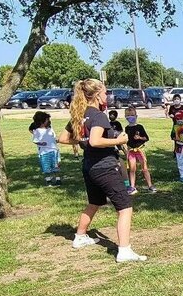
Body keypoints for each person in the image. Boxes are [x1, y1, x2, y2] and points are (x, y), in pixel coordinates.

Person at [58, 78, 145, 263]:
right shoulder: (98, 115)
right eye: (105, 93)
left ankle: (80, 237)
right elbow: (96, 141)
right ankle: (124, 251)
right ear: (97, 95)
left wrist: (83, 139)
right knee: (125, 207)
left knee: (94, 202)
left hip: (89, 167)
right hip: (104, 167)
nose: (107, 96)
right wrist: (118, 141)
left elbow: (63, 138)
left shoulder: (81, 114)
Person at [123, 107, 155, 194]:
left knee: (144, 168)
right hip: (131, 151)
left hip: (140, 150)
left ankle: (150, 185)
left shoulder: (139, 127)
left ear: (136, 116)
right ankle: (132, 186)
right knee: (132, 169)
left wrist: (140, 137)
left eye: (132, 115)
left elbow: (146, 138)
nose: (130, 117)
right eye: (128, 116)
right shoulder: (126, 128)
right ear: (126, 117)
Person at [29, 111, 61, 187]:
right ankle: (48, 181)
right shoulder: (37, 131)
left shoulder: (50, 129)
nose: (49, 121)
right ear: (41, 122)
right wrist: (41, 143)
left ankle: (58, 180)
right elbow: (35, 141)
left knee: (56, 167)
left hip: (54, 151)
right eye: (47, 120)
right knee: (46, 168)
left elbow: (53, 138)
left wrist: (56, 141)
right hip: (44, 152)